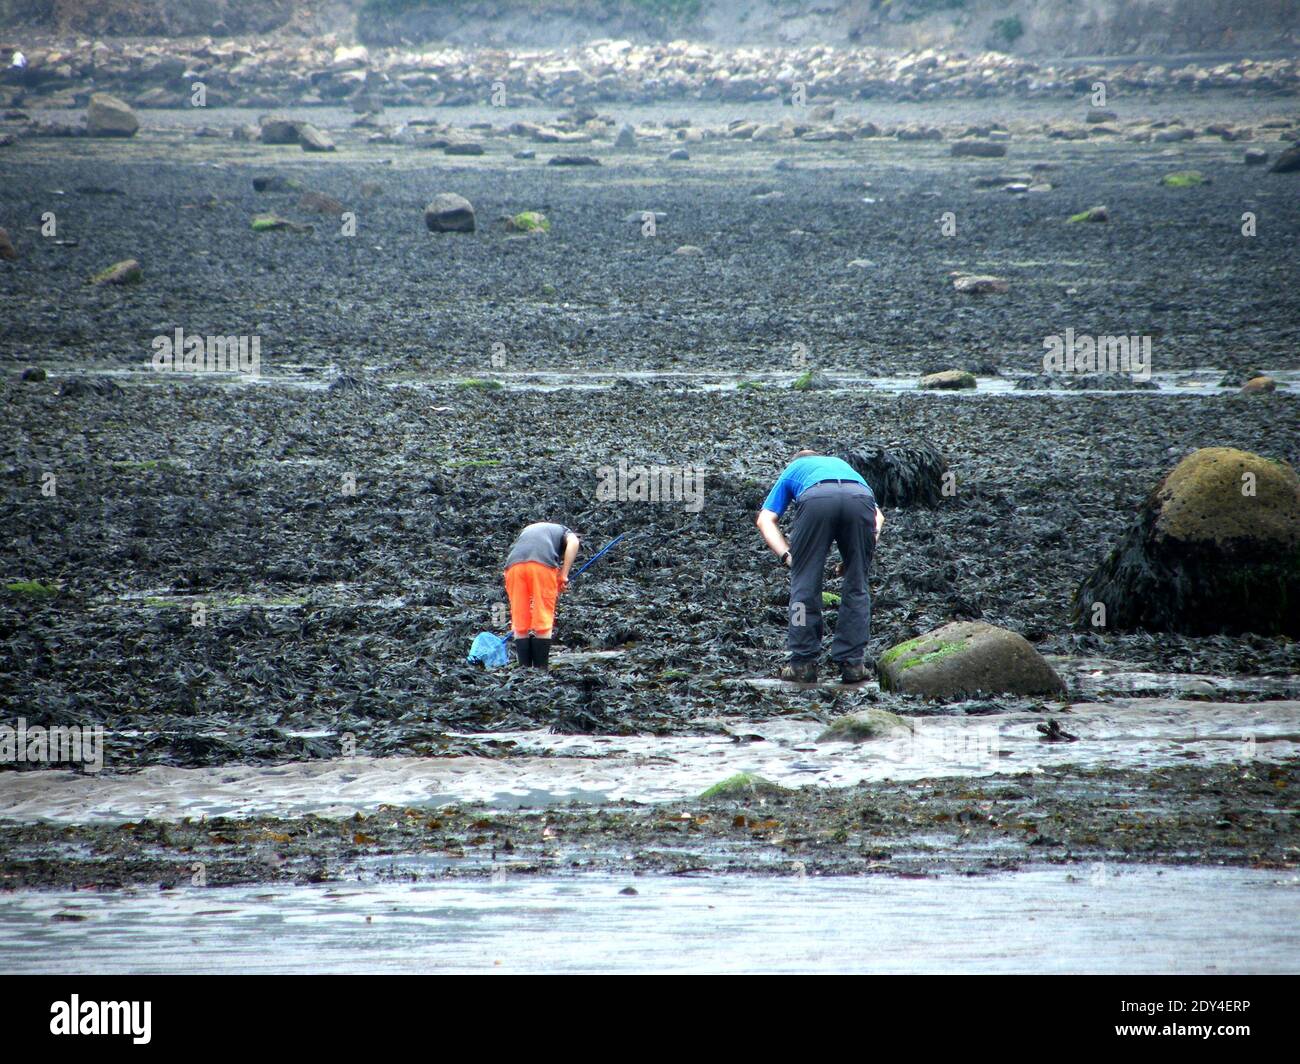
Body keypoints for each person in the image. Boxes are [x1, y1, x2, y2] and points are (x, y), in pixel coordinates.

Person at [755, 450, 883, 683]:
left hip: (817, 499)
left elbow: (765, 519)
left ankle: (802, 663)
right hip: (860, 497)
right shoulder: (842, 466)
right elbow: (878, 518)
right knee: (857, 584)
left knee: (804, 584)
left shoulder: (794, 469)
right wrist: (857, 558)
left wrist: (787, 556)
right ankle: (853, 664)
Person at [503, 522, 579, 669]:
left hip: (513, 567)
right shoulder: (566, 532)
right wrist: (564, 574)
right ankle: (540, 670)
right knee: (543, 618)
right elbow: (574, 542)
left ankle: (524, 669)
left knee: (520, 620)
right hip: (542, 566)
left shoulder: (530, 529)